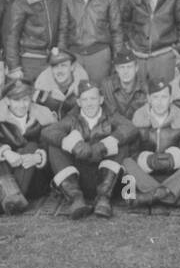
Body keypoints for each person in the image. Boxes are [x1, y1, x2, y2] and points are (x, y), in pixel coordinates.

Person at [40, 81, 136, 220]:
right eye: (85, 99)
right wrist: (74, 145)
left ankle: (103, 199)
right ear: (79, 102)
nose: (89, 103)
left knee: (121, 144)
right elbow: (48, 131)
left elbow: (130, 128)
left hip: (105, 179)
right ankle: (75, 198)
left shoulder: (110, 116)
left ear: (101, 100)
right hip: (79, 178)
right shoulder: (72, 118)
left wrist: (102, 146)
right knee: (55, 146)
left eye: (93, 98)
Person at [0, 79, 55, 215]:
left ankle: (2, 199)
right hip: (5, 173)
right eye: (16, 100)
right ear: (7, 101)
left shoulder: (42, 115)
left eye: (26, 100)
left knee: (31, 145)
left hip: (34, 180)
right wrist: (5, 153)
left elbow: (51, 142)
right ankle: (11, 199)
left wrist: (39, 157)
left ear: (31, 100)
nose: (22, 105)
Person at [123, 77, 180, 210]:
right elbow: (131, 151)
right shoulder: (138, 118)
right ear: (149, 99)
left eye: (164, 97)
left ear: (171, 99)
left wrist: (177, 156)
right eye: (155, 97)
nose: (159, 102)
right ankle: (173, 199)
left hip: (173, 177)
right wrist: (145, 159)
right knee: (125, 162)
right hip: (145, 177)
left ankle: (150, 197)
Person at [57, 0, 123, 84]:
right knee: (75, 96)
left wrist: (118, 59)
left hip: (99, 55)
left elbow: (116, 30)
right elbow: (63, 30)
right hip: (74, 54)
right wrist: (62, 60)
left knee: (99, 93)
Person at [5, 0, 63, 82]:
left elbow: (62, 28)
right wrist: (14, 67)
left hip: (51, 59)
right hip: (29, 59)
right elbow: (12, 35)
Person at [33, 47, 90, 119]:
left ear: (72, 67)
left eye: (63, 66)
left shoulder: (83, 88)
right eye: (55, 66)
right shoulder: (42, 91)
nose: (59, 71)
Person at [101, 48, 148, 120]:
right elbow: (108, 114)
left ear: (136, 68)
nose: (125, 71)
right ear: (117, 69)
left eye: (129, 67)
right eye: (122, 67)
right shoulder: (107, 86)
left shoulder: (145, 88)